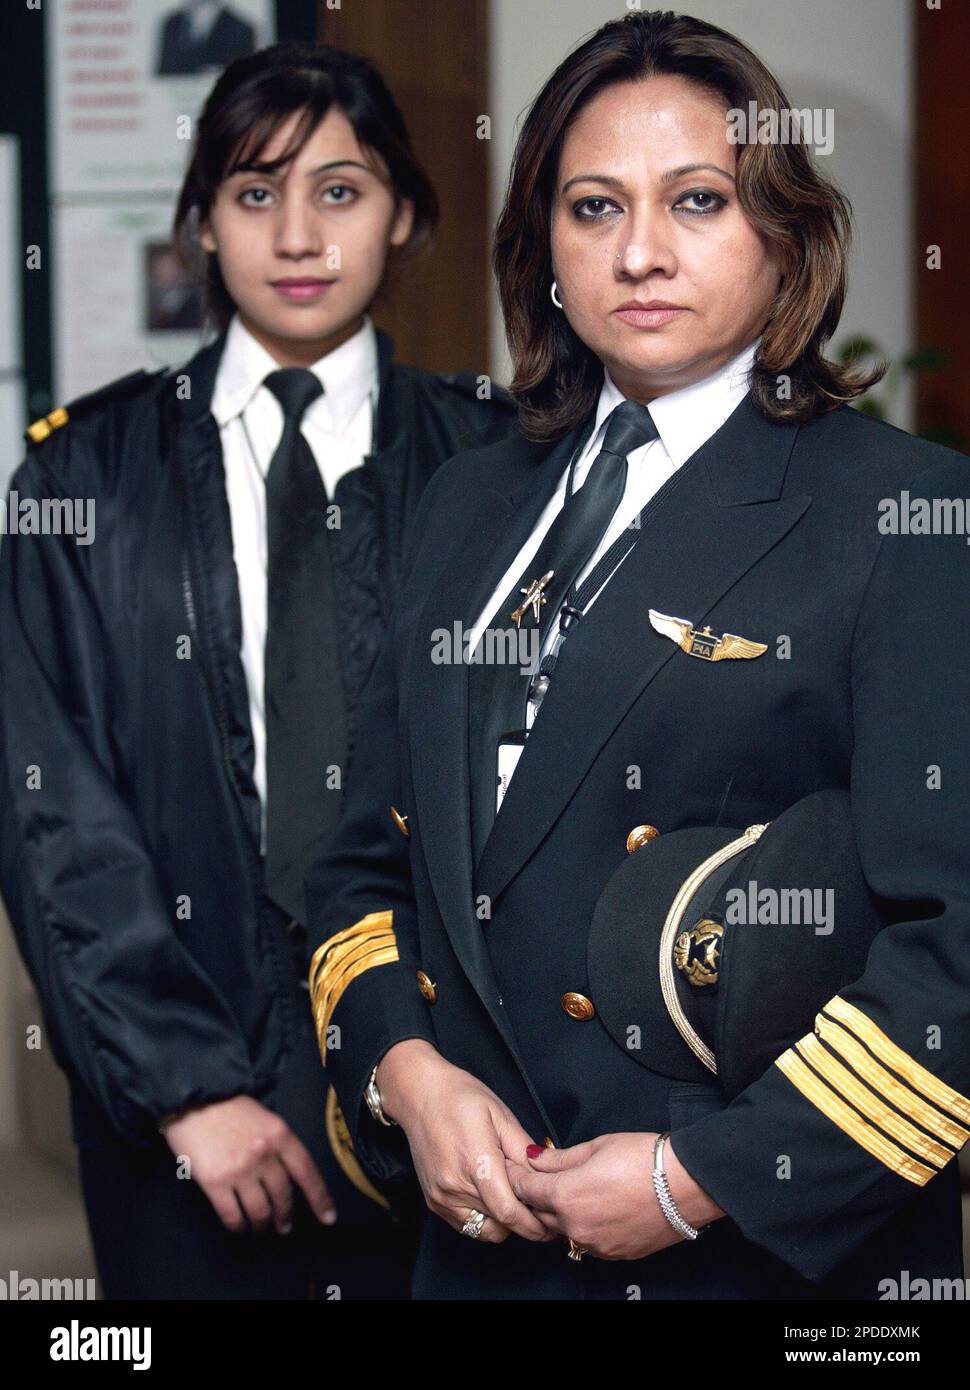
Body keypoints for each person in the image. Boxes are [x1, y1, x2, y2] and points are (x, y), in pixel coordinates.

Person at [304, 10, 970, 1300]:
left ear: (785, 233)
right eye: (593, 207)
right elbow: (360, 858)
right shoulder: (468, 501)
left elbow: (959, 947)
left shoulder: (901, 514)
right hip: (480, 1242)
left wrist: (701, 1179)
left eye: (699, 200)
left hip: (753, 1261)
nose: (642, 252)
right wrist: (407, 1074)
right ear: (544, 249)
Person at [0, 40, 515, 1300]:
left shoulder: (496, 467)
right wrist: (187, 1093)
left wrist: (451, 1074)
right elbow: (51, 809)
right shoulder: (77, 481)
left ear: (403, 214)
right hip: (186, 1106)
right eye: (252, 190)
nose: (297, 232)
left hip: (457, 1094)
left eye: (338, 190)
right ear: (202, 226)